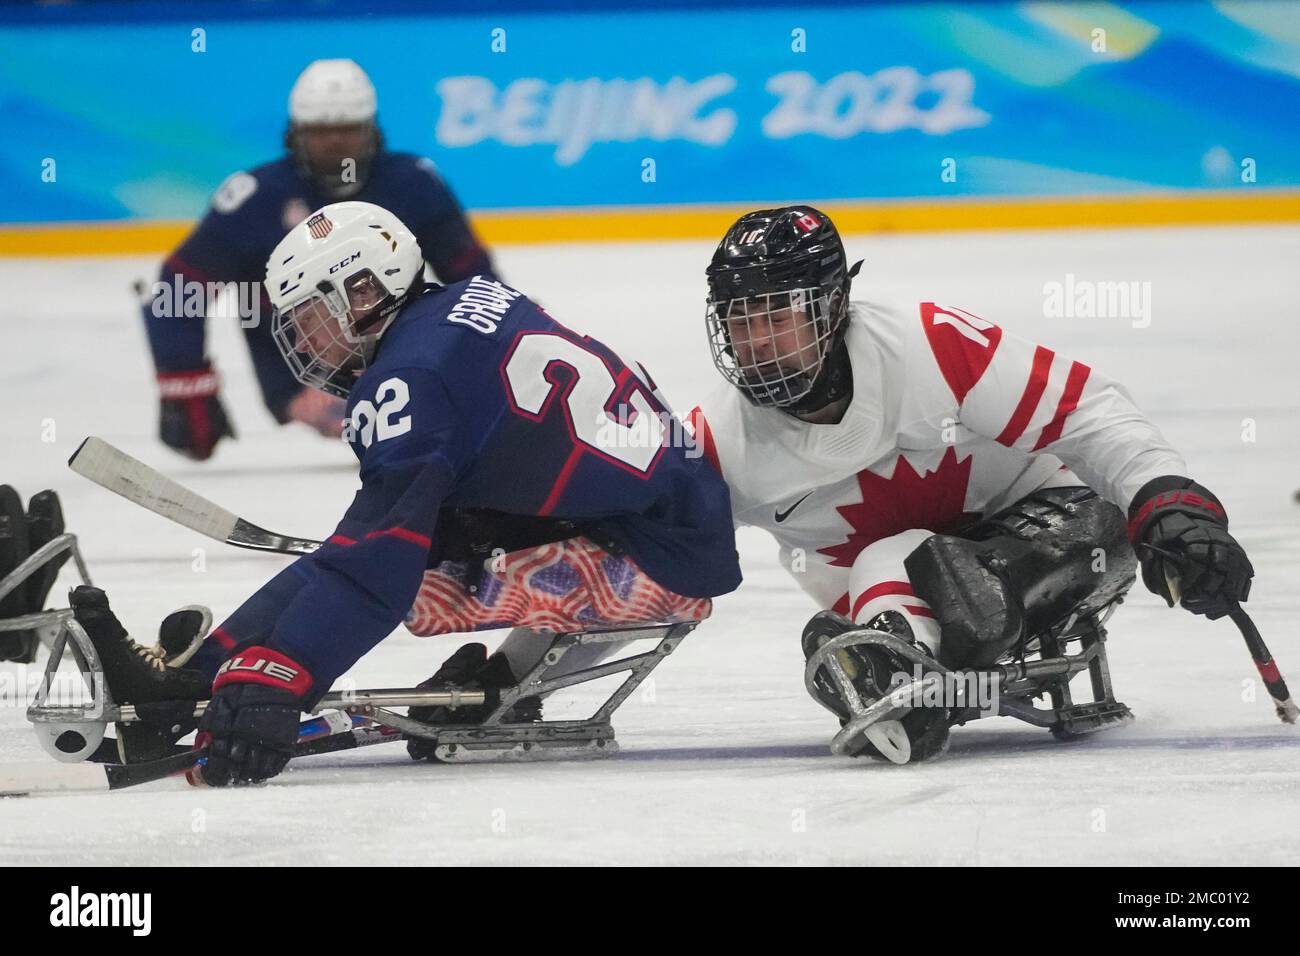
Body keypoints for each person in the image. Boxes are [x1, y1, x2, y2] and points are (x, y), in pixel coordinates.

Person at [79, 200, 740, 784]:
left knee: (393, 562)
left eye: (312, 318)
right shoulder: (464, 300)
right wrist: (232, 663)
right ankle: (194, 675)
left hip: (651, 563)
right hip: (666, 517)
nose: (304, 342)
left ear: (363, 292)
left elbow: (375, 567)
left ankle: (498, 684)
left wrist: (283, 674)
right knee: (375, 542)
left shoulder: (408, 379)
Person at [690, 205, 1253, 761]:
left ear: (835, 306)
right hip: (886, 599)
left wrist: (1170, 502)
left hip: (1058, 512)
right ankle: (897, 658)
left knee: (960, 578)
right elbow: (646, 560)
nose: (755, 341)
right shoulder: (717, 441)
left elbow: (1087, 414)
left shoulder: (930, 346)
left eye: (775, 315)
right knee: (911, 570)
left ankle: (894, 660)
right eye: (739, 320)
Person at [142, 58, 497, 461]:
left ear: (371, 129)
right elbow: (181, 284)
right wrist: (186, 381)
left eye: (347, 129)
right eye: (320, 131)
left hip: (403, 350)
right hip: (294, 364)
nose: (335, 142)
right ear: (296, 134)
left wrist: (493, 353)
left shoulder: (413, 183)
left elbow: (474, 279)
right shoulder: (254, 197)